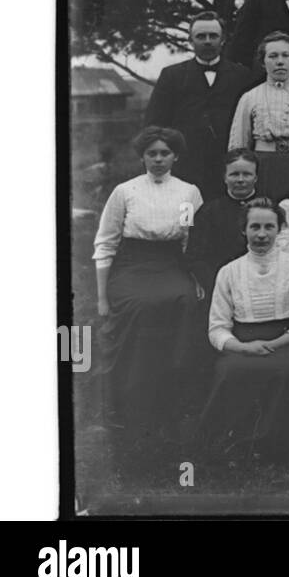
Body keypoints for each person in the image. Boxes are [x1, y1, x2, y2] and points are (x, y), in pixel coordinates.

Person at [92, 126, 204, 446]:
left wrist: (193, 277)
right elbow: (106, 243)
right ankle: (127, 403)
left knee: (183, 302)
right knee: (140, 307)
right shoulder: (125, 191)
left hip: (171, 265)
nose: (158, 159)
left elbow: (190, 241)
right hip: (132, 267)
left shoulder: (188, 192)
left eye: (164, 153)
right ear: (142, 156)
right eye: (152, 153)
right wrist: (101, 295)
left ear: (175, 157)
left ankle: (173, 402)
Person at [198, 198, 289, 458]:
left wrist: (277, 344)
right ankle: (231, 444)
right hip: (242, 344)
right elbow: (217, 327)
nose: (262, 234)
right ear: (244, 230)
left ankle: (274, 446)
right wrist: (243, 347)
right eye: (255, 227)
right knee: (229, 370)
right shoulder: (228, 272)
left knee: (284, 371)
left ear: (279, 229)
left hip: (284, 344)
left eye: (269, 227)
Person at [145, 11, 253, 200]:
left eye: (213, 36)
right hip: (186, 166)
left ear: (223, 39)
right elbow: (155, 123)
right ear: (191, 40)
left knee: (222, 217)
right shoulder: (172, 76)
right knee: (186, 219)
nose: (208, 41)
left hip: (227, 166)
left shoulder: (242, 75)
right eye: (201, 36)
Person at [228, 31, 289, 201]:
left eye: (286, 55)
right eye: (273, 56)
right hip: (263, 166)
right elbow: (239, 143)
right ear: (263, 62)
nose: (279, 61)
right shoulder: (250, 97)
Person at [187, 148, 264, 317]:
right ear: (225, 177)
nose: (241, 180)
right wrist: (219, 286)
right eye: (234, 174)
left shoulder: (269, 209)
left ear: (256, 177)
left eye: (247, 174)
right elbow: (196, 256)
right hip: (221, 286)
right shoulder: (209, 212)